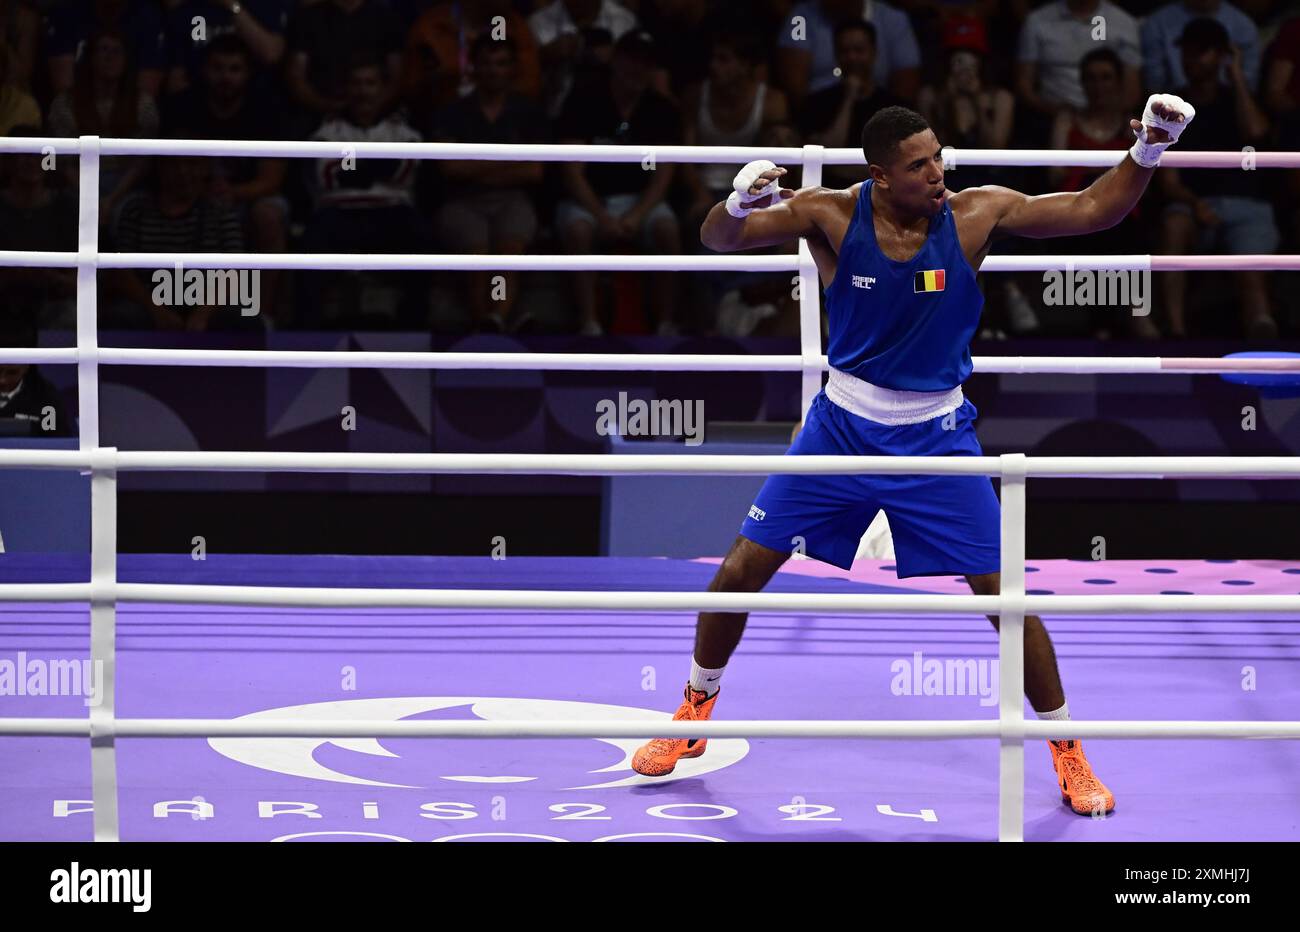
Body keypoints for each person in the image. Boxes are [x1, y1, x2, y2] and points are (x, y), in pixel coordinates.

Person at [631, 95, 1202, 817]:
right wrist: (737, 203)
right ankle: (692, 712)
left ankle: (1068, 751)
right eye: (919, 165)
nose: (938, 172)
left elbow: (1094, 210)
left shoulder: (974, 214)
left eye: (938, 157)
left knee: (1008, 601)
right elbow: (720, 241)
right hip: (839, 430)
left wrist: (1149, 147)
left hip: (936, 438)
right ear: (880, 175)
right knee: (741, 568)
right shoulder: (832, 213)